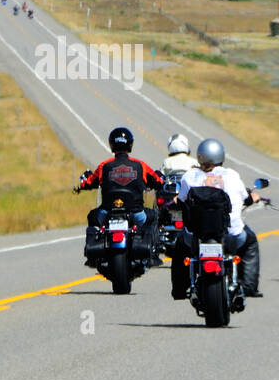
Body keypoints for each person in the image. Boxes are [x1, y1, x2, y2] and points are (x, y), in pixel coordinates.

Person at [175, 138, 264, 298]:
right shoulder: (232, 175)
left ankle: (180, 289)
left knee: (180, 244)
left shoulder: (189, 176)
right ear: (221, 156)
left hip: (197, 236)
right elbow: (245, 198)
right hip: (229, 234)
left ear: (200, 156)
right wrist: (254, 197)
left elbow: (180, 200)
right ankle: (249, 286)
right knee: (250, 242)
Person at [74, 126, 164, 268]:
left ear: (112, 144)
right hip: (136, 213)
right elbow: (158, 181)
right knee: (153, 216)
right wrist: (160, 180)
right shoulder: (141, 165)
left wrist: (82, 184)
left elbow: (89, 182)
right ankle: (153, 255)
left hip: (107, 212)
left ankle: (92, 257)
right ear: (130, 144)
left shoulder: (104, 166)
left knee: (92, 217)